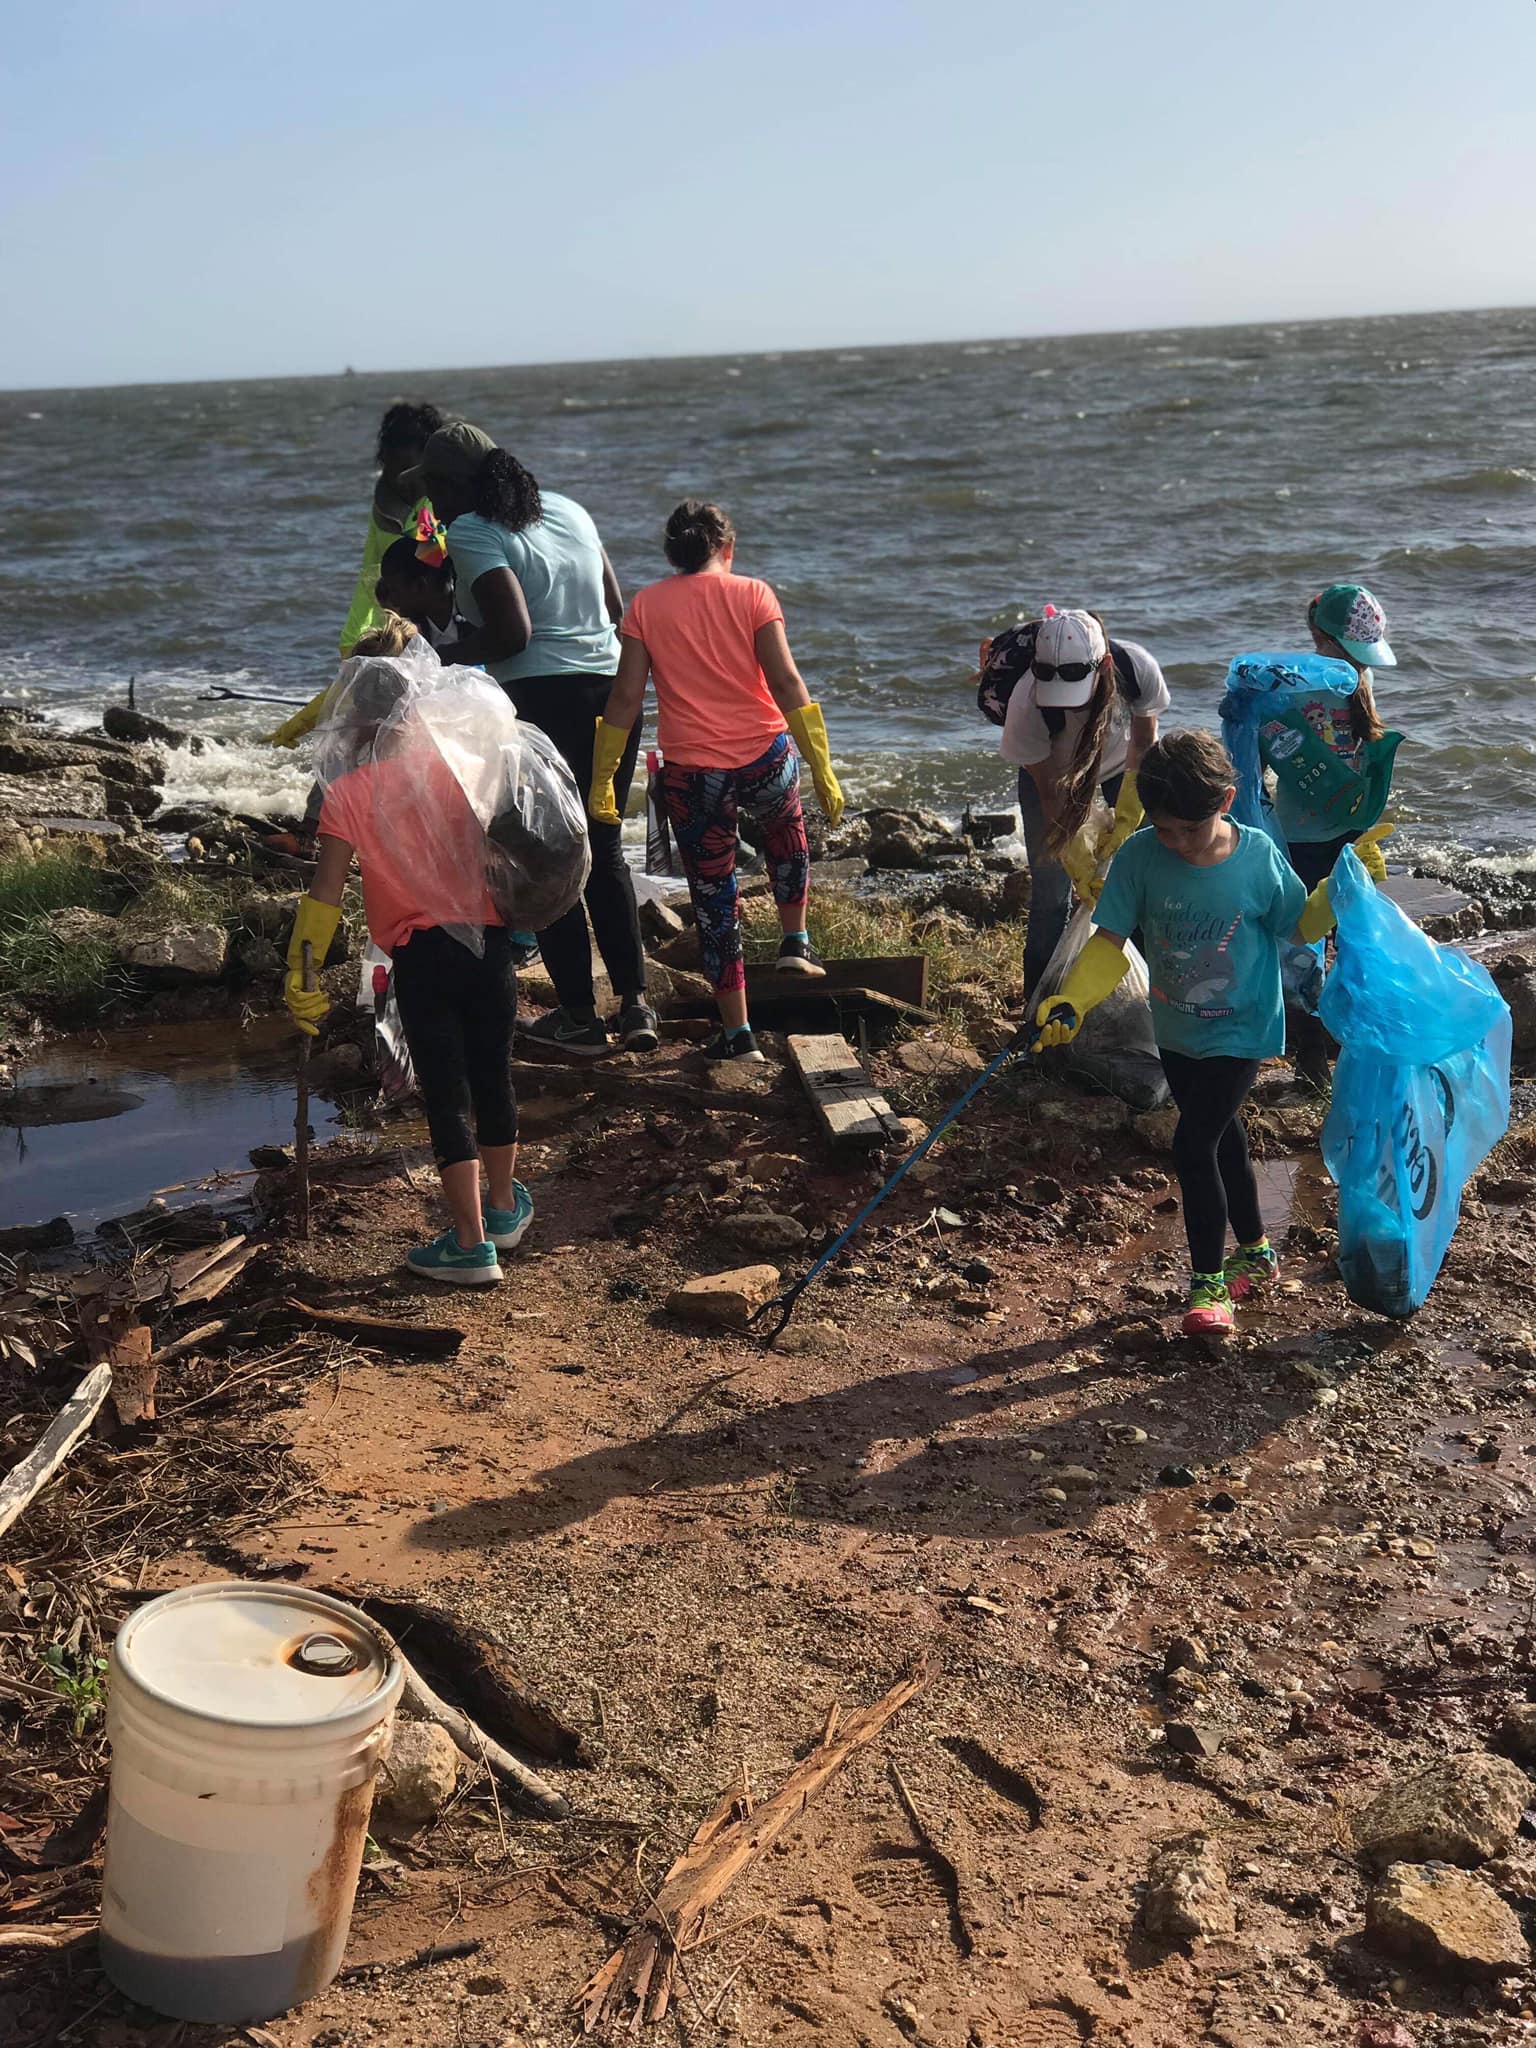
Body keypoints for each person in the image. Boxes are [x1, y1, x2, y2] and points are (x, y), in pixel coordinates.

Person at [1033, 729, 1389, 1336]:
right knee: (1224, 1138)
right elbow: (1109, 943)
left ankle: (1207, 1287)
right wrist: (1073, 998)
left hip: (1244, 1028)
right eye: (1164, 828)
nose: (1175, 842)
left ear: (1225, 801)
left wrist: (1338, 891)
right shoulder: (1141, 857)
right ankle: (1256, 1251)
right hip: (1176, 1027)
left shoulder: (1256, 856)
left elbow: (1297, 925)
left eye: (1187, 830)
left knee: (1193, 1145)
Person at [283, 616, 532, 1286]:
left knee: (446, 1097)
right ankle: (505, 1209)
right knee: (494, 1079)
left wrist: (300, 975)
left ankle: (471, 1243)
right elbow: (509, 857)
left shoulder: (349, 794)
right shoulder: (470, 770)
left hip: (423, 960)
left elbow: (325, 897)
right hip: (491, 950)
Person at [401, 420, 656, 1056]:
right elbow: (614, 604)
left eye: (432, 489)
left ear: (451, 484)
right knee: (605, 849)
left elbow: (512, 634)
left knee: (551, 859)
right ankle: (635, 1006)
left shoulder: (471, 530)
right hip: (613, 698)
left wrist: (440, 654)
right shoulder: (569, 509)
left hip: (548, 702)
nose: (430, 504)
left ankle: (578, 1016)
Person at [589, 502, 844, 1062]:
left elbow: (627, 698)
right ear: (726, 548)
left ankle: (738, 1034)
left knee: (713, 897)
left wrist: (604, 776)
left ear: (673, 553)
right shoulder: (754, 594)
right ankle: (794, 940)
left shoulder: (646, 605)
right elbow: (786, 679)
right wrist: (820, 762)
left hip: (693, 770)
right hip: (764, 753)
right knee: (786, 839)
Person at [992, 608, 1171, 997]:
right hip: (1055, 776)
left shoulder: (1136, 668)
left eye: (1075, 685)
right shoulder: (1026, 703)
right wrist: (1076, 855)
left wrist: (1129, 811)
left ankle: (1140, 996)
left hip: (1121, 768)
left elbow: (1144, 742)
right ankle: (1038, 1000)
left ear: (1104, 664)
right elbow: (1049, 790)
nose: (1065, 703)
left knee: (1135, 884)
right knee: (1051, 896)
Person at [1266, 583, 1402, 1087]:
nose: (1355, 661)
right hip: (1340, 835)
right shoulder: (1315, 685)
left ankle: (1318, 1060)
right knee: (1333, 942)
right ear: (1322, 638)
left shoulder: (1296, 687)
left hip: (1314, 836)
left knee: (1312, 943)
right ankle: (1325, 1057)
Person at [265, 401, 442, 749]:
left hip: (416, 620)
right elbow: (371, 570)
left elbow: (433, 564)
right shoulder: (385, 506)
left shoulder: (436, 505)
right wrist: (358, 632)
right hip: (382, 622)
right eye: (393, 468)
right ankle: (288, 740)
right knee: (368, 713)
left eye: (410, 469)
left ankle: (290, 736)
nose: (402, 480)